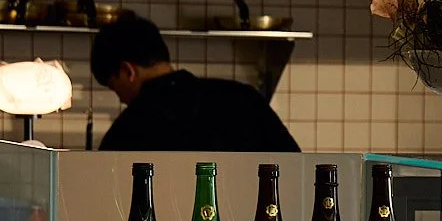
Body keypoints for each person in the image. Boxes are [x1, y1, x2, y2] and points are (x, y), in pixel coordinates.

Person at [92, 16, 300, 152]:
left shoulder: (129, 129)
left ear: (128, 71)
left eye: (114, 86)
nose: (121, 99)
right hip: (254, 220)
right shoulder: (244, 98)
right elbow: (294, 164)